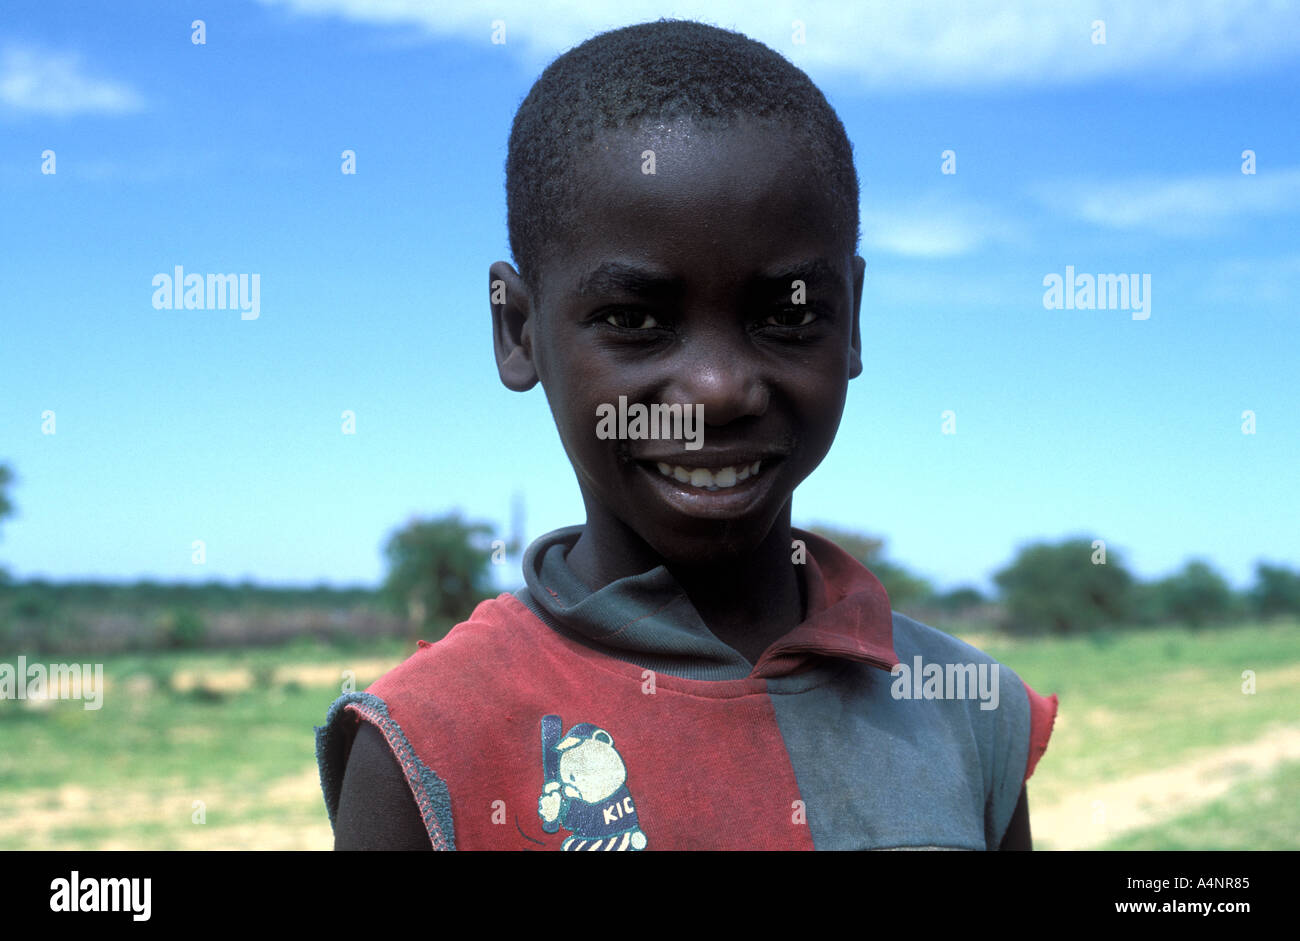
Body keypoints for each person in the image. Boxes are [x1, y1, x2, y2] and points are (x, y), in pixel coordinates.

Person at [316, 18, 1057, 851]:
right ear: (518, 330)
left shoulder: (964, 707)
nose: (719, 388)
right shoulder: (433, 741)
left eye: (787, 315)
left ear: (851, 321)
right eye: (634, 319)